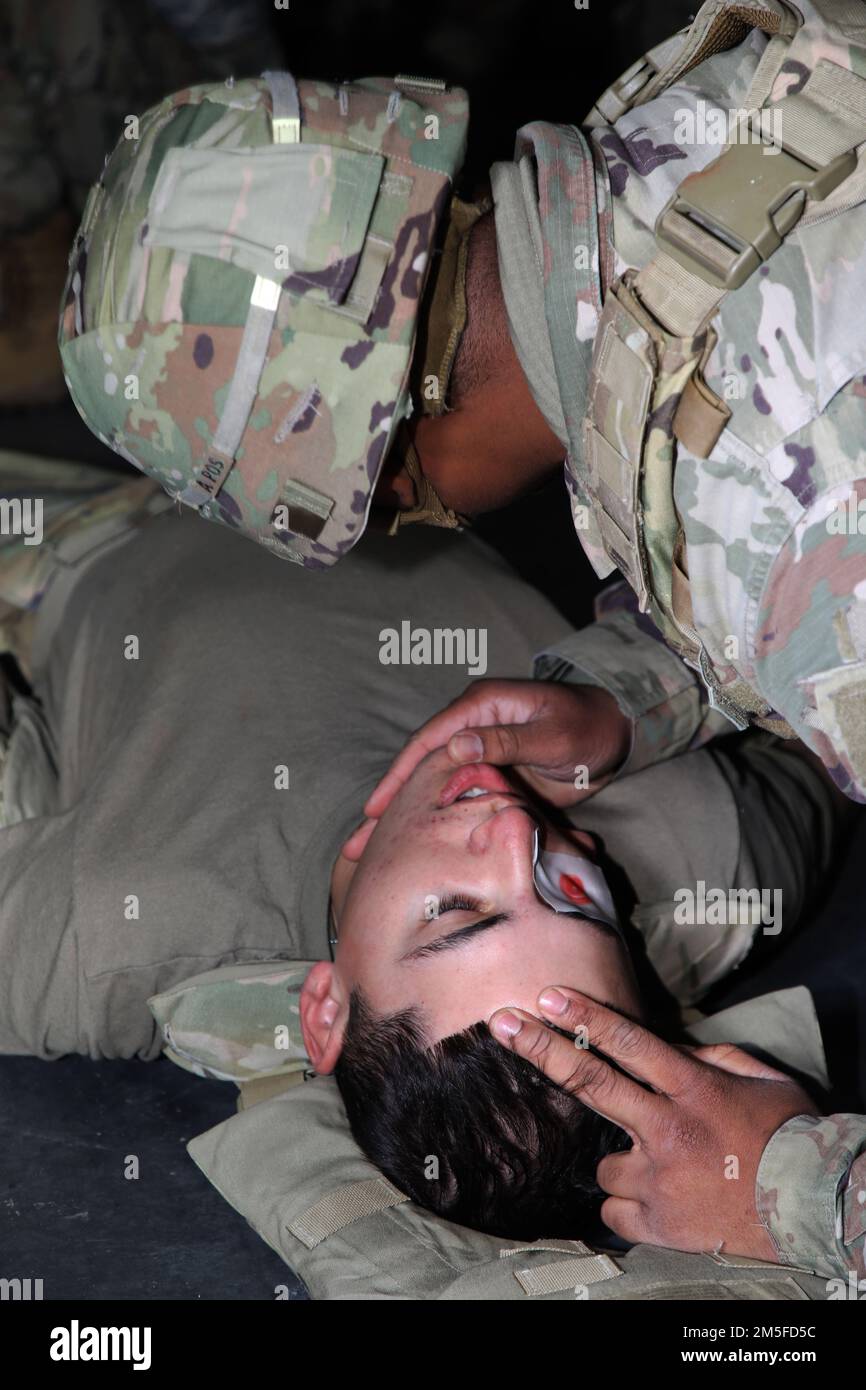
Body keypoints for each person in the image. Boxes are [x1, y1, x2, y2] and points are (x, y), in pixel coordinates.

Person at [0, 460, 849, 1265]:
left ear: (323, 1009)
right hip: (387, 457)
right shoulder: (707, 858)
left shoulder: (122, 930)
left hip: (93, 526)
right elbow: (822, 679)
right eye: (575, 891)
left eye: (456, 913)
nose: (518, 834)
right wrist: (630, 701)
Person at [61, 0, 866, 801]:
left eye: (388, 516)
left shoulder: (768, 519)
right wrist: (620, 699)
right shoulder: (689, 112)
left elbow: (784, 564)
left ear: (395, 480)